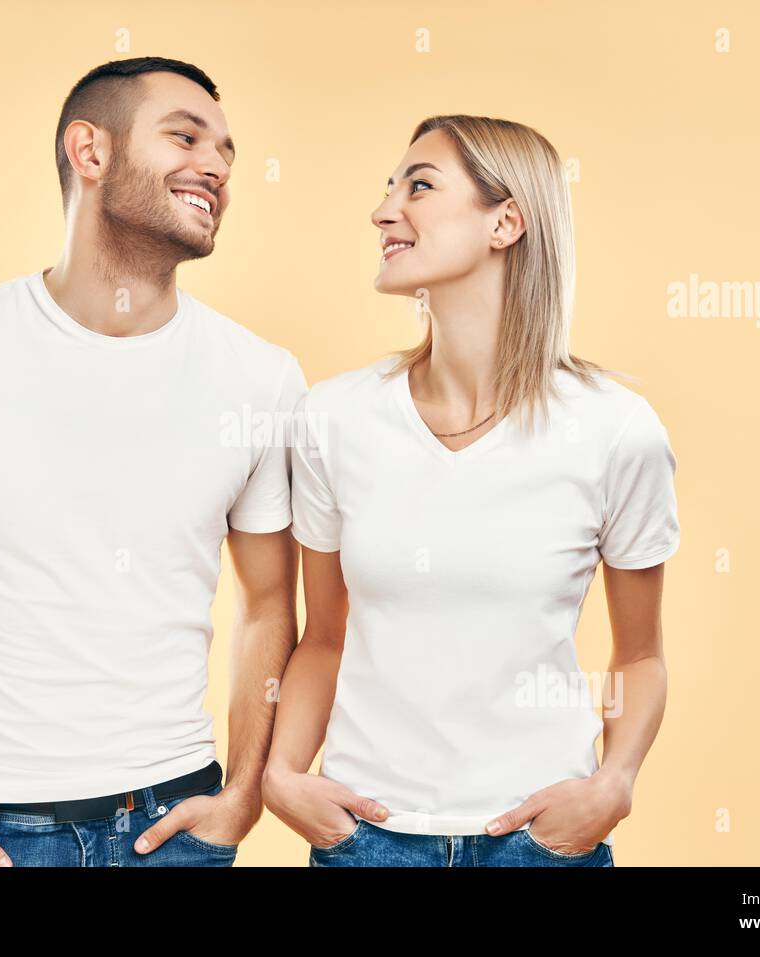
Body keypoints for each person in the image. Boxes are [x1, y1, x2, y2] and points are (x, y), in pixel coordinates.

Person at [0, 57, 305, 867]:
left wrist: (242, 795)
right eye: (185, 137)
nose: (216, 166)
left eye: (226, 151)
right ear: (90, 150)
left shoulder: (262, 377)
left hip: (174, 820)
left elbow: (266, 603)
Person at [262, 115, 681, 867]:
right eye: (389, 188)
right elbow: (323, 636)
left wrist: (614, 782)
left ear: (507, 222)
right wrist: (282, 778)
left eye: (419, 186)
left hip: (540, 841)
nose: (384, 210)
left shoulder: (617, 430)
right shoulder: (334, 417)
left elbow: (641, 653)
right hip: (366, 839)